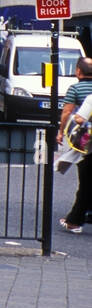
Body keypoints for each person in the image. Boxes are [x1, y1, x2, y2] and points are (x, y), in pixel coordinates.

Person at [57, 56, 92, 234]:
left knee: (85, 180)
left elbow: (69, 113)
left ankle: (75, 220)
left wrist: (61, 131)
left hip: (86, 141)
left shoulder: (77, 89)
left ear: (78, 71)